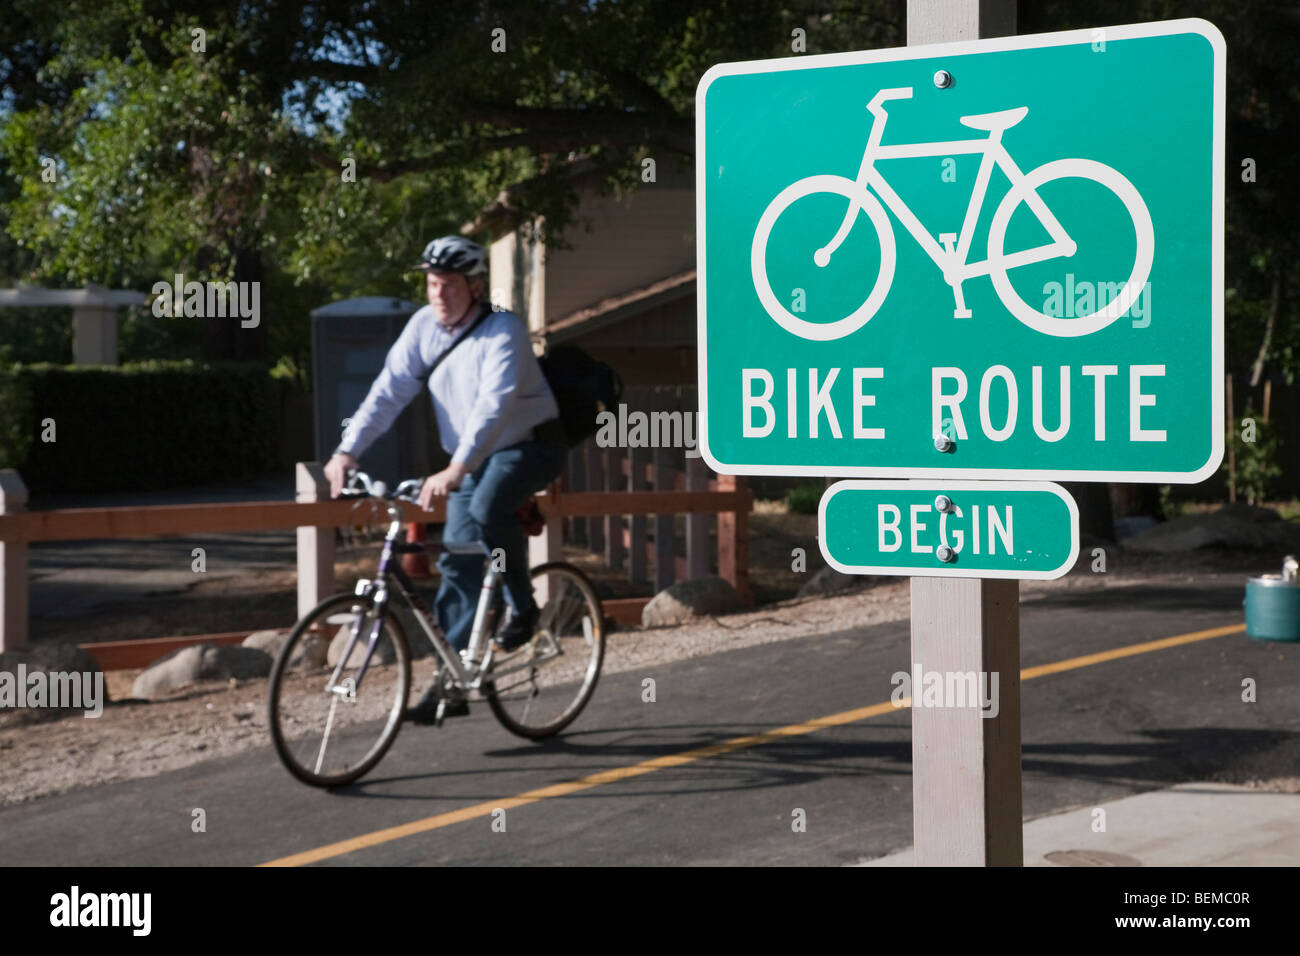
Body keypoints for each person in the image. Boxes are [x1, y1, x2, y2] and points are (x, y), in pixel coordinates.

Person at [323, 235, 568, 722]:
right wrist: (347, 450)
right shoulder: (422, 328)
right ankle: (450, 682)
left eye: (450, 285)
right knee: (456, 563)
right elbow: (388, 391)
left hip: (529, 445)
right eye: (433, 283)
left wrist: (458, 468)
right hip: (471, 458)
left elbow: (492, 407)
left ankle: (523, 609)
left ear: (475, 287)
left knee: (487, 510)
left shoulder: (504, 331)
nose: (438, 293)